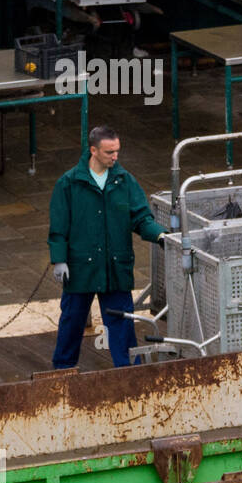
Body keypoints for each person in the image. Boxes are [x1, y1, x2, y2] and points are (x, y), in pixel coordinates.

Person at [48, 125, 166, 368]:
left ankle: (130, 373)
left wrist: (160, 235)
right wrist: (59, 259)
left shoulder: (125, 181)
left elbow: (141, 218)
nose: (115, 157)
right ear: (93, 150)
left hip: (115, 269)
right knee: (72, 321)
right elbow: (58, 227)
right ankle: (62, 373)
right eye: (109, 152)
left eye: (117, 151)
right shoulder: (69, 184)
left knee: (122, 326)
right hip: (81, 268)